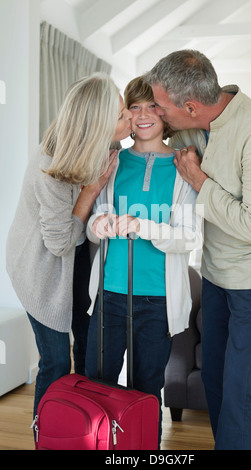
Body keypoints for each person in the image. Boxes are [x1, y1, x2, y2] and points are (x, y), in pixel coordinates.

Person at [145, 50, 251, 450]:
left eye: (161, 107)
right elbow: (153, 140)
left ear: (191, 106)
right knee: (213, 376)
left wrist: (199, 180)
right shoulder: (199, 124)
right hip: (216, 270)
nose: (159, 116)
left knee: (240, 386)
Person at [84, 76, 203, 447]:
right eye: (134, 107)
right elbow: (90, 225)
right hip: (109, 294)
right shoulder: (112, 162)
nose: (144, 114)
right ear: (126, 115)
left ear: (166, 114)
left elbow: (190, 236)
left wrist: (144, 226)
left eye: (153, 106)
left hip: (157, 301)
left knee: (147, 391)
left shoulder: (184, 167)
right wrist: (97, 223)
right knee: (96, 387)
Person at [6, 73, 132, 420]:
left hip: (75, 262)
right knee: (57, 360)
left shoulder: (108, 149)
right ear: (98, 124)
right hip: (38, 267)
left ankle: (81, 431)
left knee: (88, 350)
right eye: (121, 115)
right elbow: (60, 243)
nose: (129, 119)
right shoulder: (50, 166)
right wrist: (91, 191)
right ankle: (46, 435)